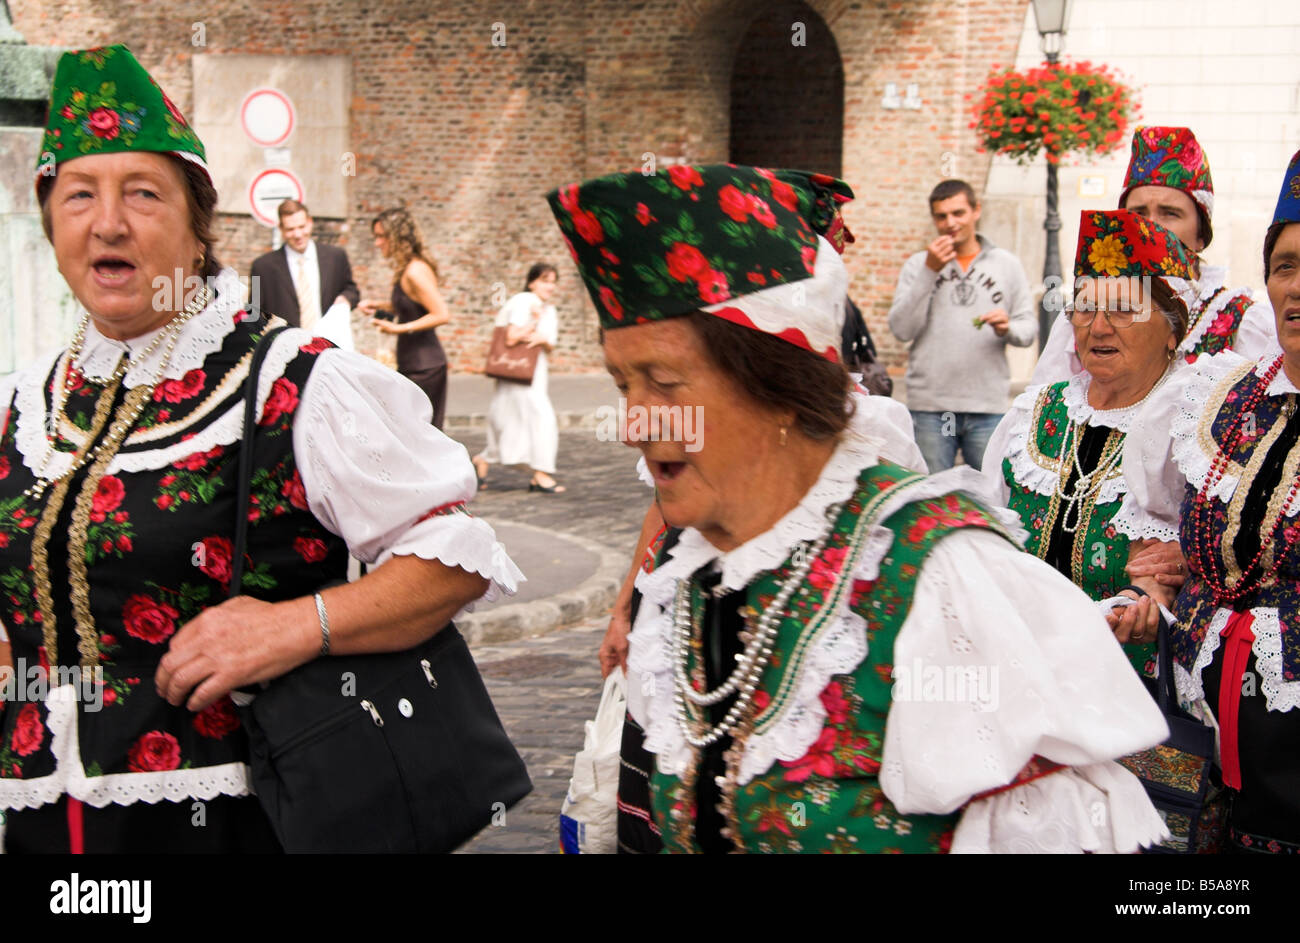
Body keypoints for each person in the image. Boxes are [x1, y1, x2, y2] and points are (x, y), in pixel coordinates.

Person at [550, 163, 1168, 853]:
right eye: (620, 383)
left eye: (664, 383)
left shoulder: (934, 577)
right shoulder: (686, 566)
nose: (635, 424)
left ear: (777, 386)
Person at [0, 44, 522, 853]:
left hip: (234, 814)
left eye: (143, 193)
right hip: (42, 821)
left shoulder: (290, 381)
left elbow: (451, 557)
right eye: (78, 195)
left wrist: (294, 627)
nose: (107, 222)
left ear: (196, 221)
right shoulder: (23, 401)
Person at [1111, 149, 1300, 854]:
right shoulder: (1218, 395)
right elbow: (1163, 531)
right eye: (1284, 265)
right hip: (1194, 729)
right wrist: (1155, 582)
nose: (1297, 287)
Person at [981, 209, 1194, 680]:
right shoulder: (1034, 411)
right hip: (1022, 663)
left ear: (1172, 329)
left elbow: (1186, 558)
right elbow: (987, 527)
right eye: (1084, 307)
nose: (1097, 327)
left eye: (1121, 310)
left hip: (1131, 683)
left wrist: (1144, 598)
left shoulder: (1193, 425)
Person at [1032, 126, 1278, 384]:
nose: (1149, 227)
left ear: (1201, 235)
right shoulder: (1084, 314)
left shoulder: (1241, 321)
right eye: (1138, 213)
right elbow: (1044, 406)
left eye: (1170, 213)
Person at [887, 179, 1037, 472]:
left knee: (992, 499)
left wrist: (1008, 328)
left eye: (958, 213)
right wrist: (929, 272)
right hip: (931, 407)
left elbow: (1028, 329)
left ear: (976, 210)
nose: (950, 223)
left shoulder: (1006, 264)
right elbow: (901, 329)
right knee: (931, 499)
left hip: (987, 405)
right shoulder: (919, 265)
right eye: (941, 216)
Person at [471, 263, 566, 494]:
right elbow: (512, 337)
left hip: (535, 373)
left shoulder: (549, 309)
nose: (550, 286)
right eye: (545, 280)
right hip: (517, 373)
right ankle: (540, 475)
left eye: (553, 281)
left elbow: (549, 345)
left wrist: (542, 339)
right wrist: (534, 322)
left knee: (512, 422)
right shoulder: (524, 301)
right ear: (532, 281)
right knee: (540, 421)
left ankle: (483, 459)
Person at [358, 209, 451, 428]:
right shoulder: (409, 268)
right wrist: (379, 305)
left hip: (425, 367)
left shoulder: (414, 271)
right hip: (413, 362)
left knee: (419, 436)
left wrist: (398, 329)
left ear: (398, 237)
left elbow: (442, 313)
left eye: (382, 236)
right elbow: (414, 306)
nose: (377, 243)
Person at [248, 199, 360, 343]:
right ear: (281, 229)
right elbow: (254, 314)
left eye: (302, 227)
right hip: (285, 350)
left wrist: (345, 299)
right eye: (290, 229)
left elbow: (352, 290)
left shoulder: (336, 257)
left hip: (329, 346)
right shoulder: (261, 267)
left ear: (310, 222)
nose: (298, 234)